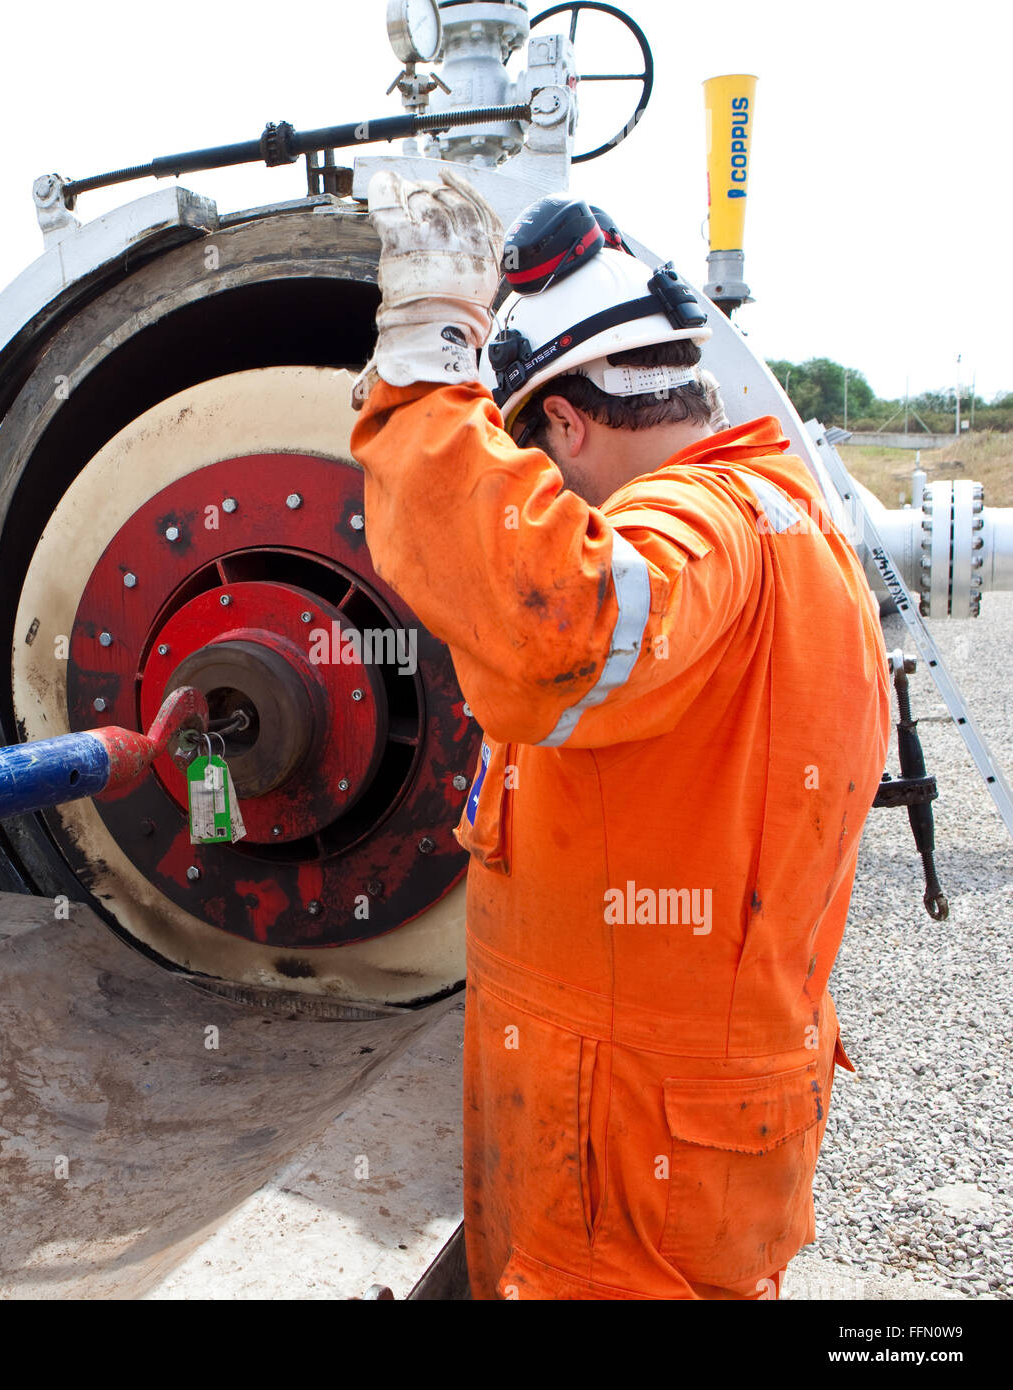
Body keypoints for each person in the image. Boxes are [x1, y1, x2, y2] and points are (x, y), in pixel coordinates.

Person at [349, 171, 891, 1300]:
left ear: (567, 420)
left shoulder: (697, 527)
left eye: (532, 461)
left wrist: (424, 353)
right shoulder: (792, 520)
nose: (541, 492)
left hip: (626, 1146)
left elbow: (557, 622)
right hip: (666, 1117)